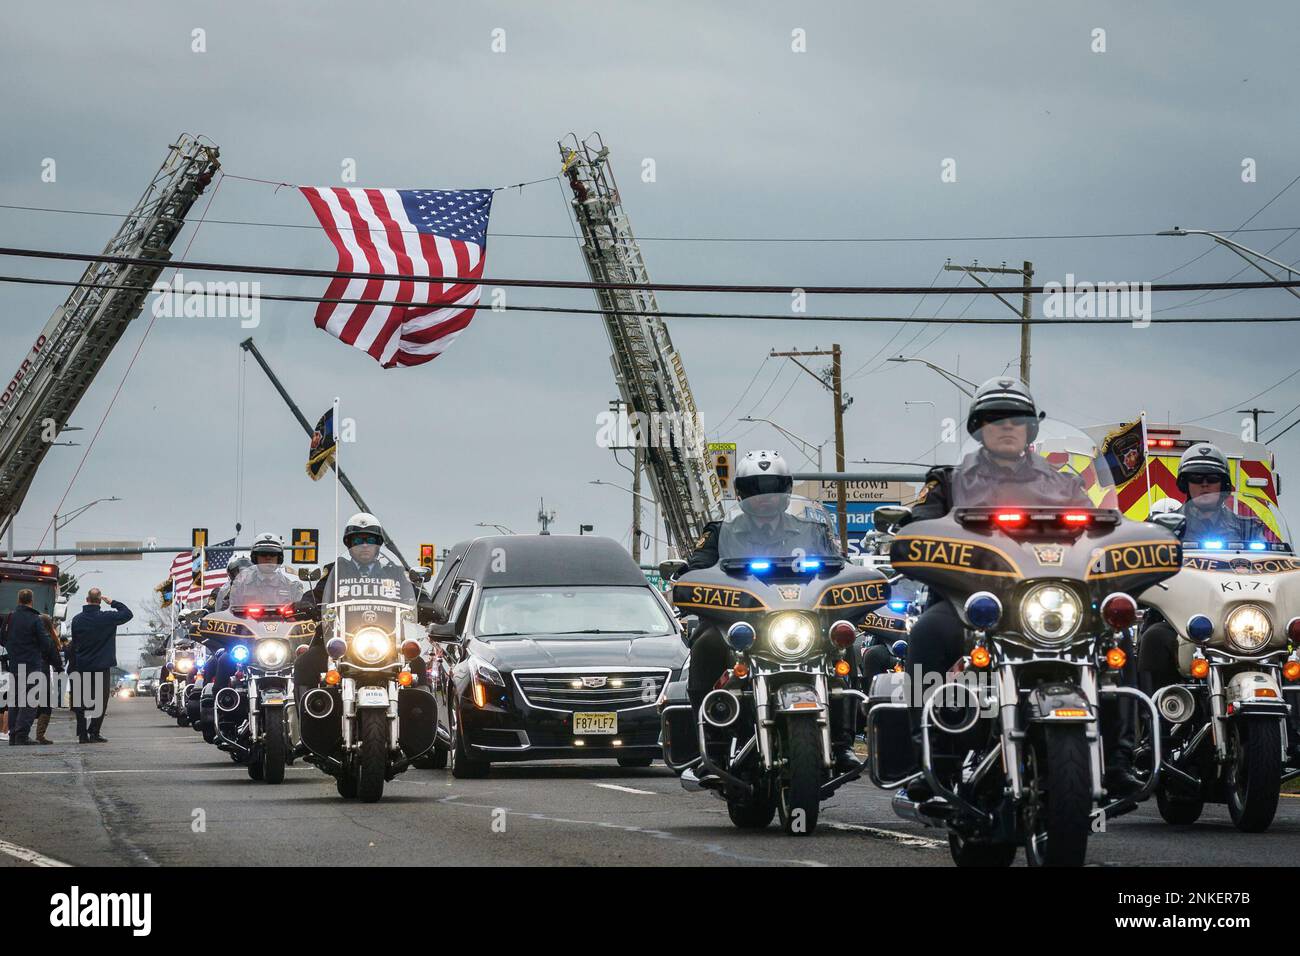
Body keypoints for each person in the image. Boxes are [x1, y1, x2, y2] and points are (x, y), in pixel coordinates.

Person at [898, 377, 1142, 794]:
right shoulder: (950, 481)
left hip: (1054, 603)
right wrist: (911, 528)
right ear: (979, 427)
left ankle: (1119, 758)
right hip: (971, 601)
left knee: (1117, 637)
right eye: (995, 418)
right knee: (926, 633)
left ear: (1030, 428)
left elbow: (1103, 529)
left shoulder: (1063, 484)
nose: (1006, 426)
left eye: (1016, 418)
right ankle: (936, 759)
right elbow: (918, 523)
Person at [682, 451, 858, 773]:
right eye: (755, 489)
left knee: (847, 643)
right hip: (739, 624)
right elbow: (694, 570)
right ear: (740, 494)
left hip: (801, 619)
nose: (764, 497)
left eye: (773, 488)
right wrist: (693, 578)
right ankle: (713, 749)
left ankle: (843, 742)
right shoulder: (720, 531)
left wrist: (851, 575)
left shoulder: (811, 530)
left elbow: (841, 564)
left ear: (787, 489)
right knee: (706, 644)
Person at [294, 514, 413, 695]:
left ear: (378, 545)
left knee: (417, 662)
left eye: (370, 539)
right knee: (305, 663)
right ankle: (307, 719)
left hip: (388, 639)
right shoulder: (336, 570)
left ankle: (417, 719)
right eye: (358, 540)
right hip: (338, 640)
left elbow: (412, 594)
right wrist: (307, 603)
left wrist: (427, 606)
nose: (364, 545)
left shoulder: (394, 572)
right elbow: (318, 593)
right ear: (349, 545)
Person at [69, 588, 133, 744]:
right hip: (101, 666)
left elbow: (75, 642)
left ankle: (83, 734)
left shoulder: (77, 620)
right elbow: (127, 613)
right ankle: (94, 731)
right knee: (101, 700)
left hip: (82, 664)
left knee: (80, 701)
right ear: (99, 601)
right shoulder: (108, 618)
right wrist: (112, 602)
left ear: (86, 599)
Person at [3, 590, 63, 746]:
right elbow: (45, 642)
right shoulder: (35, 619)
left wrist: (13, 648)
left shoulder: (10, 617)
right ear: (31, 601)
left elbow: (2, 637)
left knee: (15, 700)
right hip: (31, 664)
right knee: (29, 700)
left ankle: (13, 735)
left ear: (18, 600)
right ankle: (22, 735)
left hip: (15, 663)